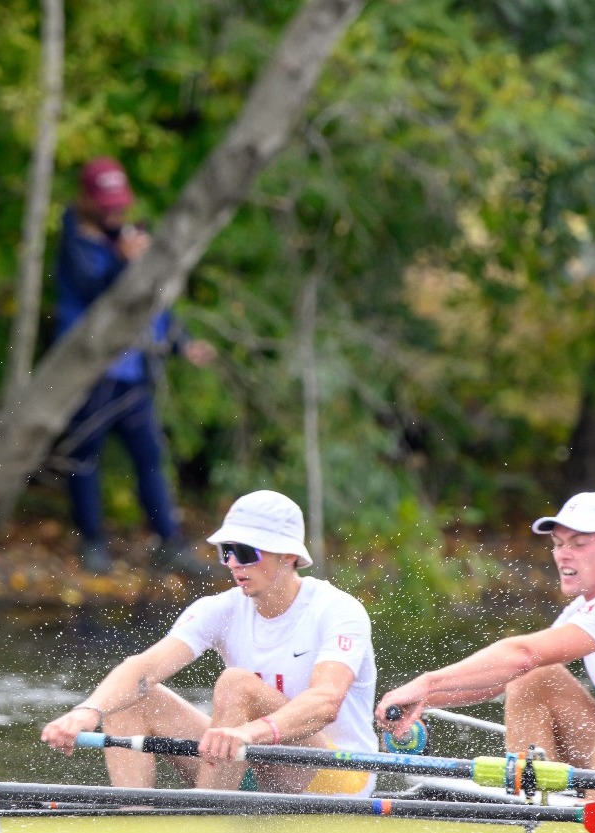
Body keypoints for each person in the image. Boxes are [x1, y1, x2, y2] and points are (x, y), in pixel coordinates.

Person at [377, 492, 595, 797]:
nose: (563, 555)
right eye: (559, 544)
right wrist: (422, 701)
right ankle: (534, 810)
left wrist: (427, 680)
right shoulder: (584, 608)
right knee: (532, 677)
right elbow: (502, 677)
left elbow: (523, 653)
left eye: (579, 543)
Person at [40, 490, 378, 795]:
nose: (232, 563)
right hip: (250, 764)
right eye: (226, 551)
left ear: (288, 556)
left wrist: (249, 735)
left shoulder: (338, 610)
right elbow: (144, 669)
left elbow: (325, 702)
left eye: (245, 552)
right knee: (132, 696)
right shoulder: (221, 609)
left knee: (236, 684)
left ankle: (208, 818)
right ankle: (135, 821)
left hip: (337, 779)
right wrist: (87, 712)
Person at [53, 157, 217, 577]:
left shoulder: (129, 236)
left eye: (118, 204)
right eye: (105, 204)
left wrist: (182, 343)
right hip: (89, 371)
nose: (114, 213)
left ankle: (169, 541)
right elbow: (96, 292)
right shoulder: (75, 237)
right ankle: (92, 543)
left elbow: (152, 301)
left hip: (132, 374)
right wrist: (123, 261)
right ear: (86, 198)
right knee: (85, 458)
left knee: (149, 455)